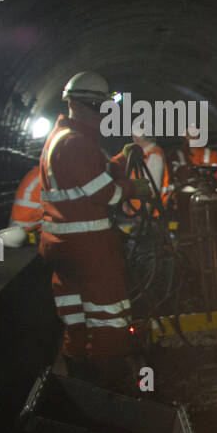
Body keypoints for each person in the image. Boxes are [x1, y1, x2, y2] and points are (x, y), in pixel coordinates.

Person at [39, 72, 146, 388]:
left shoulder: (60, 139)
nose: (99, 114)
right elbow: (107, 194)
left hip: (61, 247)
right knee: (109, 317)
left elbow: (86, 179)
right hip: (89, 249)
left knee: (76, 317)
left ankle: (79, 386)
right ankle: (110, 391)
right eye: (93, 107)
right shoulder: (78, 143)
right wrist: (133, 187)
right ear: (74, 103)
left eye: (101, 107)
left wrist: (119, 161)